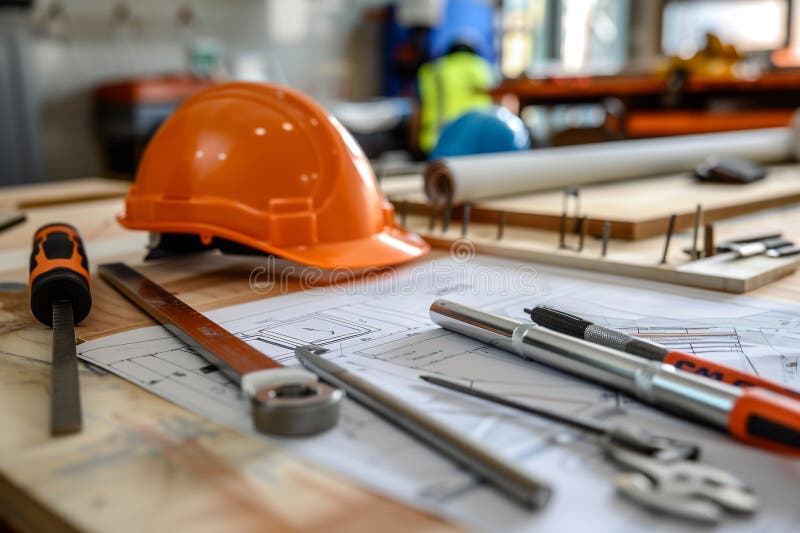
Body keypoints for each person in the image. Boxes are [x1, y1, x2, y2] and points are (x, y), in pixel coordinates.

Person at [413, 35, 493, 156]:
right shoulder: (485, 69)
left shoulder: (431, 71)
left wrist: (414, 145)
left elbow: (417, 110)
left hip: (436, 142)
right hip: (478, 143)